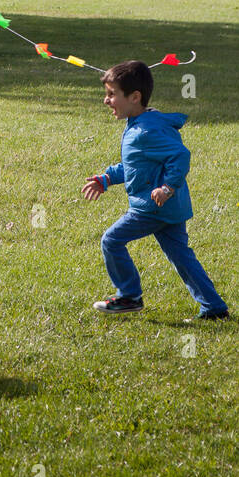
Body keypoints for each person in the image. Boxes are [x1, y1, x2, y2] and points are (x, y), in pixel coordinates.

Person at [81, 60, 227, 320]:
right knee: (182, 257)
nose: (106, 100)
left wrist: (167, 187)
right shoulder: (143, 123)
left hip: (152, 208)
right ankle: (214, 308)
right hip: (169, 208)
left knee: (111, 241)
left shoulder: (145, 130)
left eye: (112, 94)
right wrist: (106, 179)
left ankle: (129, 296)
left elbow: (180, 156)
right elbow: (136, 165)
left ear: (134, 97)